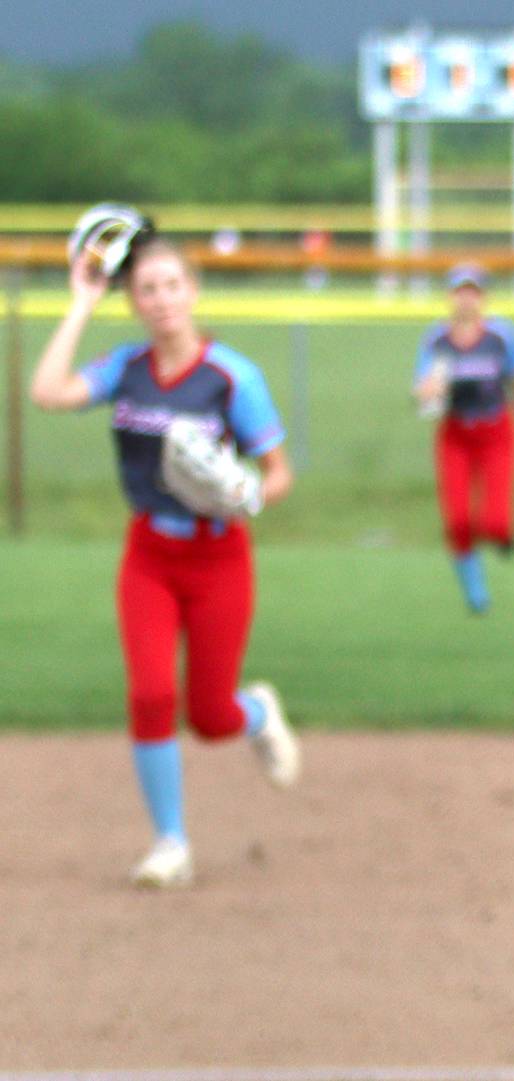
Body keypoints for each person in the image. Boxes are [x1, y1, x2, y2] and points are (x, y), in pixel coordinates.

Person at [31, 211, 300, 889]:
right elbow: (48, 392)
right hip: (149, 554)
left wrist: (249, 492)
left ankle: (259, 712)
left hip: (218, 558)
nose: (161, 299)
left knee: (211, 717)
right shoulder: (125, 369)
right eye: (147, 289)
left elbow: (278, 471)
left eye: (172, 284)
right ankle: (170, 843)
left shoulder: (232, 376)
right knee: (152, 693)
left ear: (194, 289)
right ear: (133, 301)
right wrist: (82, 302)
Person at [412, 264, 514, 613]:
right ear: (450, 297)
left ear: (483, 297)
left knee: (495, 521)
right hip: (455, 433)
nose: (466, 299)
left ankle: (503, 537)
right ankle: (475, 592)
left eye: (473, 291)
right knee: (458, 520)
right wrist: (429, 389)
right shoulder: (437, 340)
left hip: (495, 431)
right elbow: (421, 388)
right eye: (460, 291)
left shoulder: (501, 337)